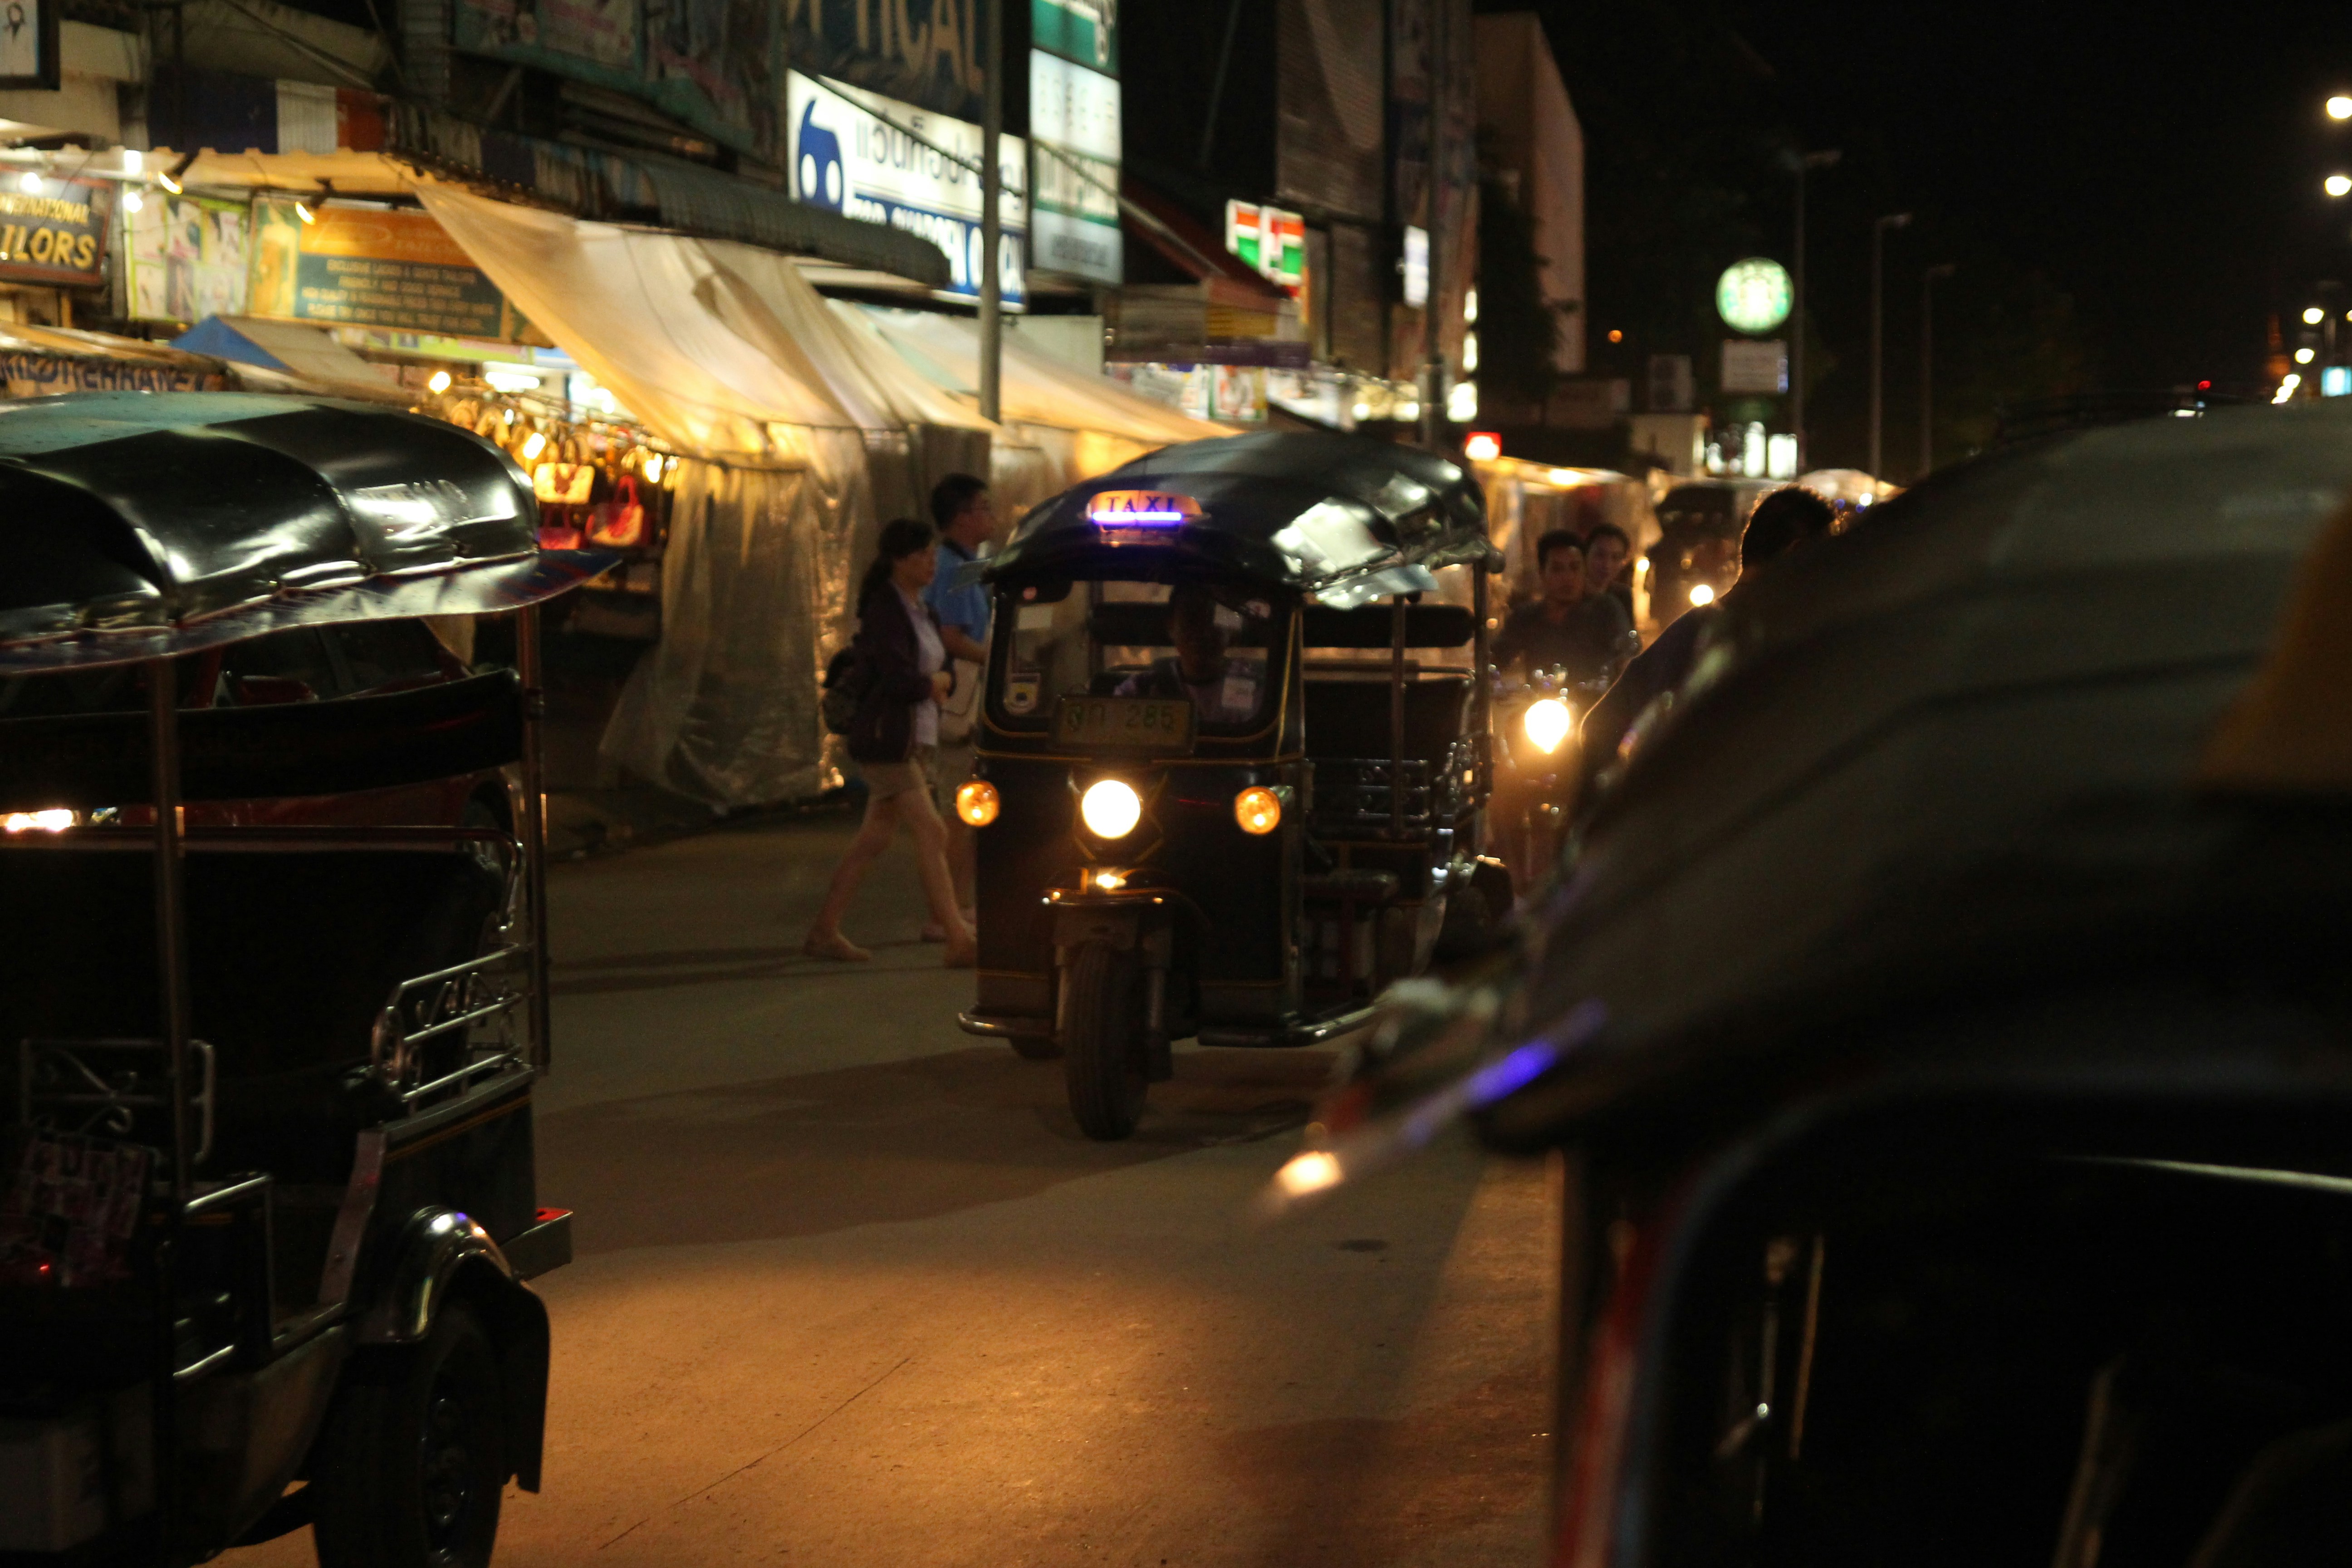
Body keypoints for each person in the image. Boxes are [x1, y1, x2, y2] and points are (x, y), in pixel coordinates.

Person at [805, 518, 978, 967]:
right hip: (888, 738)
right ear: (899, 560)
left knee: (875, 838)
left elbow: (942, 666)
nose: (931, 563)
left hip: (914, 736)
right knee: (933, 830)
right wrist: (933, 682)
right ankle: (957, 937)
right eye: (922, 555)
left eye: (932, 554)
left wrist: (940, 679)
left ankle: (825, 931)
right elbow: (898, 678)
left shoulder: (924, 610)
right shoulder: (885, 609)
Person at [1578, 485, 1837, 784]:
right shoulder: (1716, 636)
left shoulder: (1710, 631)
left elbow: (1599, 729)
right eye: (1825, 563)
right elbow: (1601, 729)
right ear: (1797, 554)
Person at [921, 473, 994, 938]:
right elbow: (951, 637)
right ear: (962, 517)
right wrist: (998, 659)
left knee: (962, 809)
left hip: (959, 702)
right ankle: (945, 914)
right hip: (957, 704)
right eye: (984, 508)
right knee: (956, 810)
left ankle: (957, 906)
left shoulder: (965, 564)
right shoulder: (954, 568)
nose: (992, 516)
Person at [1494, 530, 1634, 684]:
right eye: (1557, 569)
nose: (1567, 578)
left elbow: (1626, 658)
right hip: (1543, 697)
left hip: (1596, 696)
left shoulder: (1605, 610)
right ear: (1542, 574)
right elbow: (1497, 660)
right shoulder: (1526, 617)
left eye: (1575, 568)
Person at [1116, 585, 1262, 721]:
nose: (1203, 633)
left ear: (1233, 630)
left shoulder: (1256, 690)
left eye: (1213, 620)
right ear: (1171, 627)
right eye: (1191, 619)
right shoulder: (1140, 690)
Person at [1583, 524, 1635, 620]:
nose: (1607, 565)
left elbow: (1628, 629)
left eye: (1616, 558)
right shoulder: (1573, 593)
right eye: (1600, 555)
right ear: (1586, 554)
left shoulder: (1622, 595)